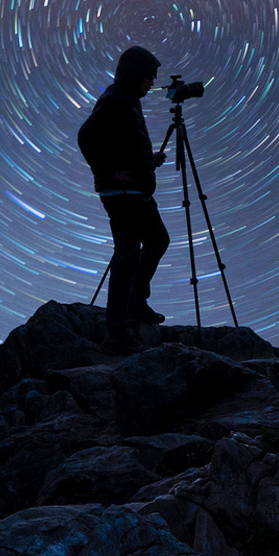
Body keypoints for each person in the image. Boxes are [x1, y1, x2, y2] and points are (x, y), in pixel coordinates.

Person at [77, 46, 171, 347]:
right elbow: (87, 136)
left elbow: (123, 143)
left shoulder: (128, 100)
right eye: (147, 77)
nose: (151, 83)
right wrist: (110, 171)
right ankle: (116, 331)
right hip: (121, 193)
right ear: (133, 75)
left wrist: (147, 160)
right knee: (128, 254)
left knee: (157, 240)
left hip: (137, 191)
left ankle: (135, 303)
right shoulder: (115, 100)